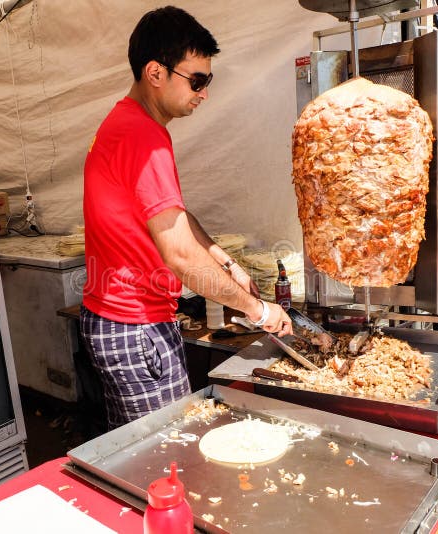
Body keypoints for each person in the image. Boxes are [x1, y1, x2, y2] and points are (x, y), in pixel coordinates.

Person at [79, 6, 292, 430]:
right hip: (135, 325)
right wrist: (258, 311)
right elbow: (179, 255)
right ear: (155, 72)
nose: (204, 93)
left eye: (207, 81)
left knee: (143, 448)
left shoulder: (129, 123)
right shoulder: (142, 136)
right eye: (197, 80)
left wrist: (225, 261)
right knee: (167, 448)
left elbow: (174, 214)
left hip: (122, 320)